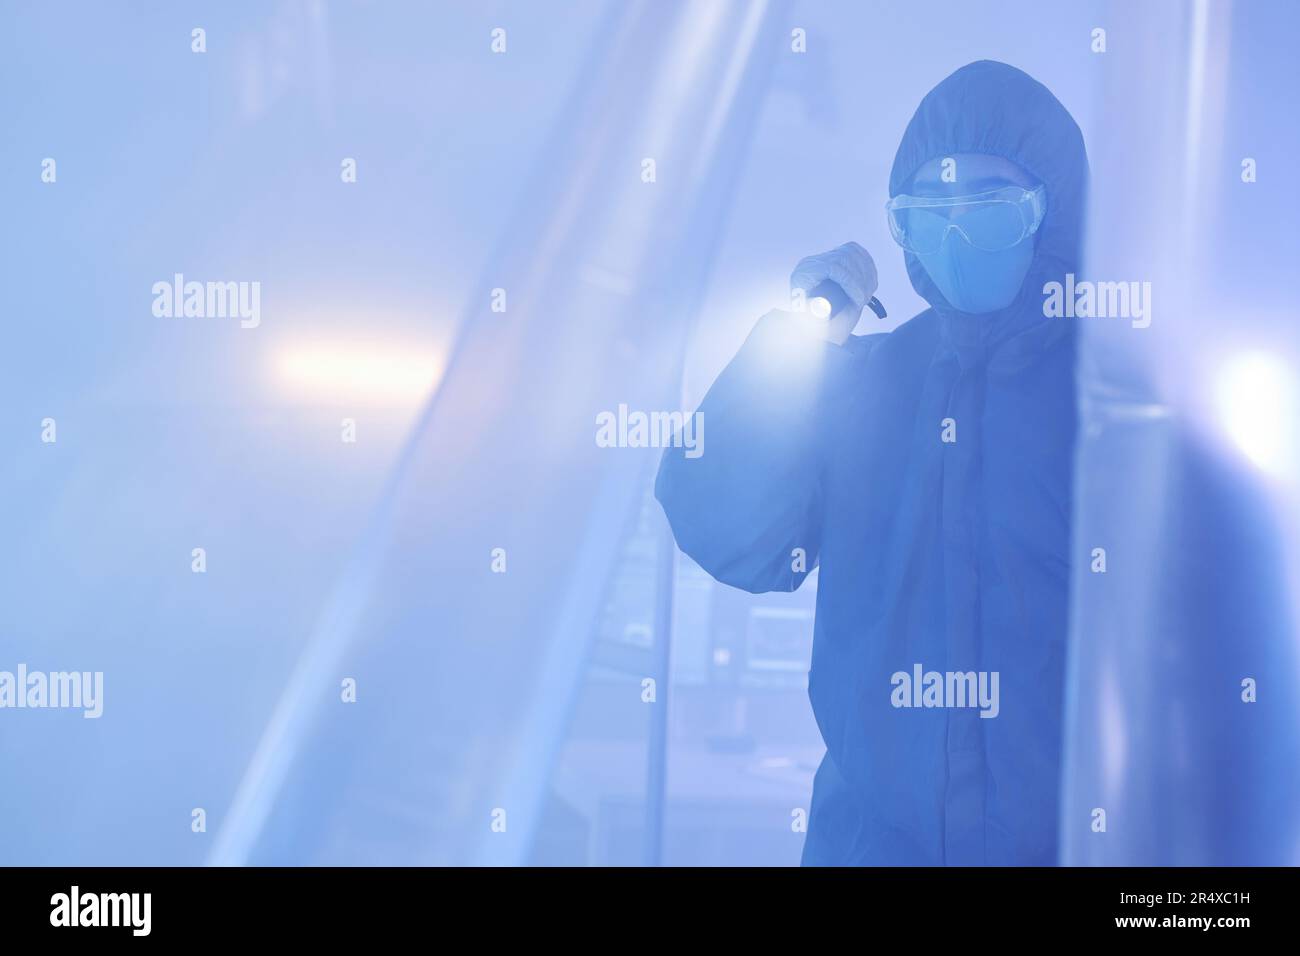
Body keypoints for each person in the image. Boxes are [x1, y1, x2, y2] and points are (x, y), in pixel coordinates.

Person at [655, 60, 1087, 865]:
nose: (958, 238)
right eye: (932, 215)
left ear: (1051, 214)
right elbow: (723, 531)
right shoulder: (863, 385)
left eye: (990, 210)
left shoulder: (1113, 406)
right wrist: (797, 343)